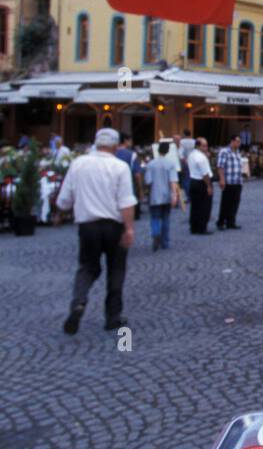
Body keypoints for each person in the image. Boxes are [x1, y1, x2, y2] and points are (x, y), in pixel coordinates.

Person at [56, 127, 136, 333]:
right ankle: (113, 317)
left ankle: (79, 301)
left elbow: (64, 200)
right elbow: (126, 201)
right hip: (114, 226)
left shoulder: (78, 164)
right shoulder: (120, 167)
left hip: (88, 226)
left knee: (87, 267)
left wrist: (61, 213)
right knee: (116, 269)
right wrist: (129, 229)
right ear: (116, 146)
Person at [144, 141, 179, 251]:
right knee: (165, 218)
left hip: (154, 195)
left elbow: (148, 182)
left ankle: (155, 233)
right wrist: (174, 195)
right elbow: (173, 181)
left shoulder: (151, 164)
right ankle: (165, 242)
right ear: (168, 151)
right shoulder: (170, 164)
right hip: (166, 195)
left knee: (155, 217)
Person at [216, 135, 244, 229]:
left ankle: (231, 222)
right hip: (228, 182)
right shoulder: (224, 152)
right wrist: (222, 179)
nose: (239, 143)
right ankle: (221, 222)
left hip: (237, 182)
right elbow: (220, 166)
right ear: (232, 141)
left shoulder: (237, 152)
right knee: (225, 203)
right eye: (237, 141)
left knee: (235, 203)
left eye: (240, 142)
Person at [187, 137, 214, 234]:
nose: (206, 148)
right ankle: (202, 228)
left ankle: (194, 226)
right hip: (202, 182)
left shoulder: (192, 155)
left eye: (206, 146)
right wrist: (209, 186)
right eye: (204, 146)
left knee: (195, 206)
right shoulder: (201, 158)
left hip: (193, 180)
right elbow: (205, 174)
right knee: (204, 206)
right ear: (198, 146)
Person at [116, 133, 143, 219]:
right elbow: (137, 175)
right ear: (125, 141)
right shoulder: (132, 155)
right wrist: (140, 190)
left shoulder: (111, 154)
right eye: (130, 140)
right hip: (129, 190)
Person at [178, 127, 195, 199]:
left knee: (185, 179)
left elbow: (180, 153)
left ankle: (188, 195)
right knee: (192, 178)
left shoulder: (182, 142)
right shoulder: (194, 141)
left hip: (185, 161)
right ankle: (192, 194)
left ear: (184, 134)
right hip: (193, 161)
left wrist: (183, 160)